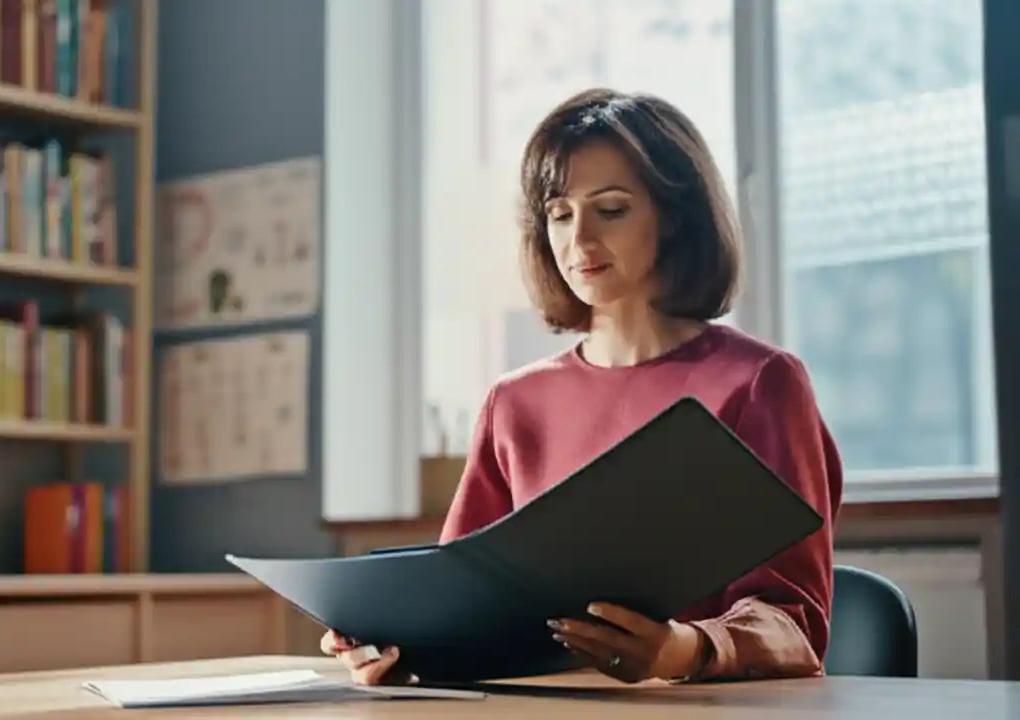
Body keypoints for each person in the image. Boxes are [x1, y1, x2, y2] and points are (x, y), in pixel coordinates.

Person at [321, 87, 842, 686]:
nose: (579, 241)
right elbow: (458, 607)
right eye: (560, 214)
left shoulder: (757, 383)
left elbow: (796, 622)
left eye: (611, 209)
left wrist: (685, 649)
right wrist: (398, 651)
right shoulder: (513, 404)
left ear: (674, 216)